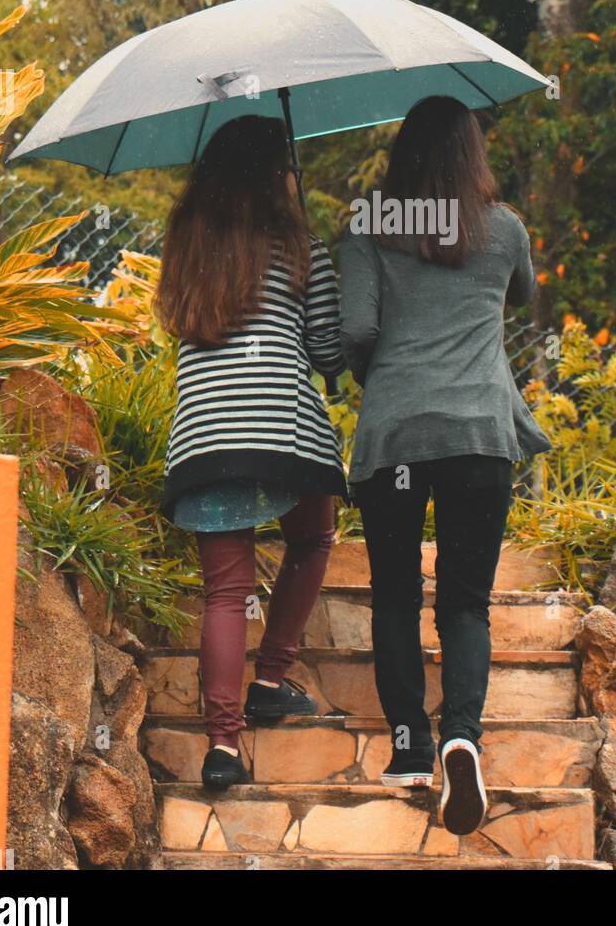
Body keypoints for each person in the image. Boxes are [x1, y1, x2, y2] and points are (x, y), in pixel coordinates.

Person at [338, 95, 550, 836]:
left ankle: (408, 748)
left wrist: (380, 369)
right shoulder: (505, 231)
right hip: (479, 436)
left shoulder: (369, 227)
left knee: (394, 595)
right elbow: (520, 296)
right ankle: (461, 733)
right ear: (474, 156)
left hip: (395, 434)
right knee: (463, 602)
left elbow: (355, 328)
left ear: (403, 155)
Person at [157, 116, 346, 792]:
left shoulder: (185, 252)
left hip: (204, 436)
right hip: (280, 431)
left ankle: (222, 747)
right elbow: (328, 350)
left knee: (226, 592)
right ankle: (271, 677)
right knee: (314, 534)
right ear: (275, 178)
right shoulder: (299, 248)